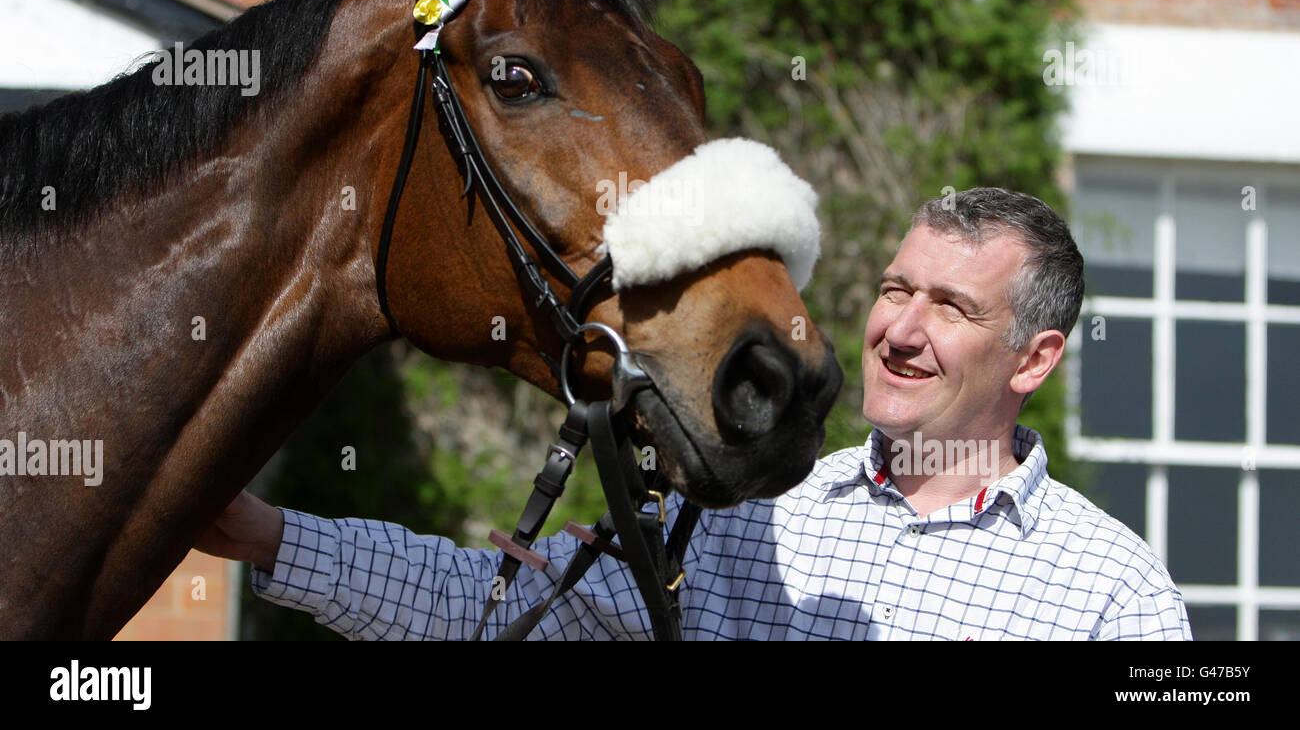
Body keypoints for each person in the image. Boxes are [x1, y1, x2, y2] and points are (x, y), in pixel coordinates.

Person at [197, 187, 1191, 640]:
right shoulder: (745, 513)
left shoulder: (1111, 597)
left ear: (1037, 357)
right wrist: (268, 535)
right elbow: (486, 610)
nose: (899, 328)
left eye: (952, 307)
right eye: (897, 288)